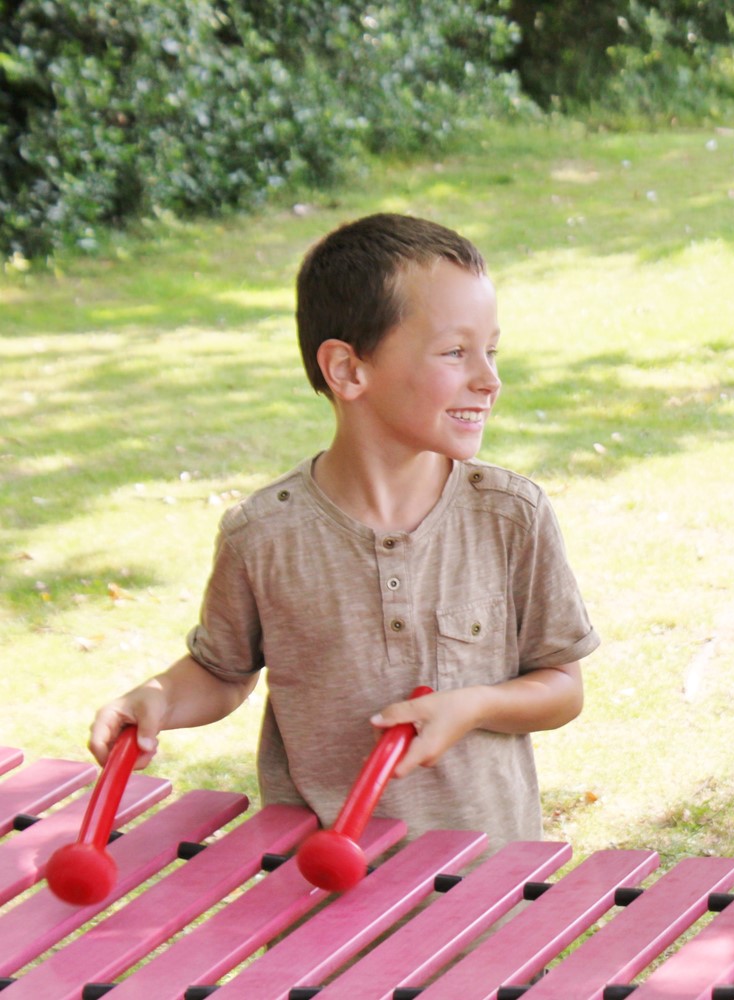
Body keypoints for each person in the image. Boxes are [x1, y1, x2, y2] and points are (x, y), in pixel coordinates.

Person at [89, 213, 599, 853]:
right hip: (322, 890)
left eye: (491, 350)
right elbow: (222, 672)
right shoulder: (264, 534)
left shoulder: (510, 516)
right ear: (348, 371)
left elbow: (561, 688)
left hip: (487, 887)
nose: (489, 379)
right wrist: (158, 697)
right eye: (455, 352)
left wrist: (473, 706)